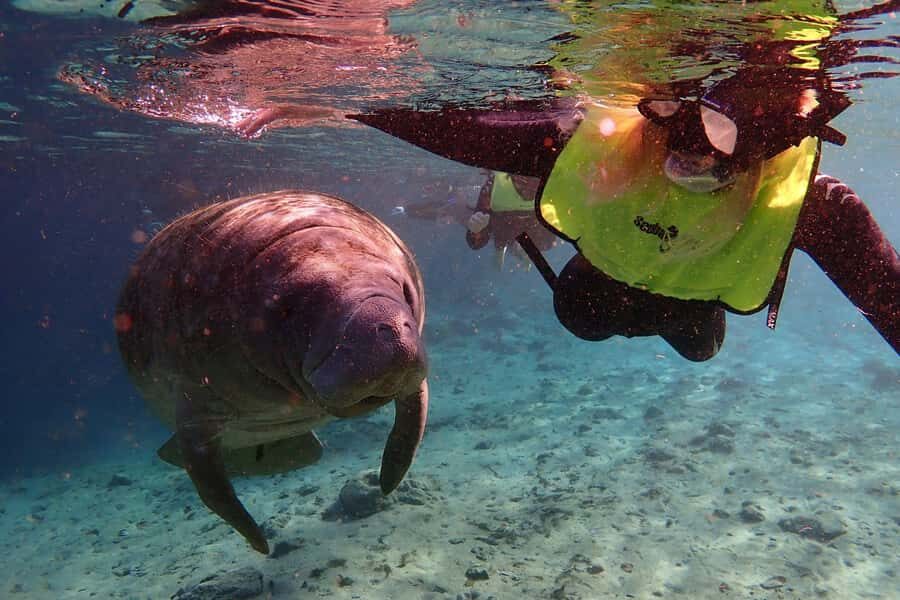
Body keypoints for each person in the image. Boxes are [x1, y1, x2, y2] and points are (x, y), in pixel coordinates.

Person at [352, 64, 899, 360]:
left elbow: (889, 302)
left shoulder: (813, 205)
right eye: (670, 115)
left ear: (775, 138)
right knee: (585, 313)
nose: (691, 147)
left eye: (721, 130)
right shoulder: (586, 144)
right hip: (600, 295)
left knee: (694, 342)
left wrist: (349, 106)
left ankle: (676, 316)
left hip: (685, 310)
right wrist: (340, 104)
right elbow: (454, 130)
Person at [397, 171, 559, 270]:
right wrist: (476, 230)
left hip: (519, 228)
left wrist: (477, 231)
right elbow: (477, 241)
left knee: (509, 239)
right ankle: (510, 251)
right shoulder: (491, 188)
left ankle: (514, 251)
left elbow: (548, 241)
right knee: (504, 238)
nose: (525, 187)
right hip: (505, 227)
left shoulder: (548, 187)